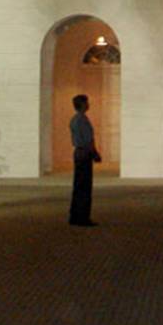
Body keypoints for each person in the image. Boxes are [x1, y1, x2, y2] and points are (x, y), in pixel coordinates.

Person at [68, 93, 101, 227]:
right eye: (86, 102)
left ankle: (75, 215)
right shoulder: (83, 120)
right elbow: (88, 140)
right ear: (82, 104)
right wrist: (95, 153)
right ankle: (83, 217)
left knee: (78, 185)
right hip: (84, 153)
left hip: (77, 152)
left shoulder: (74, 120)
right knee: (84, 186)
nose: (88, 104)